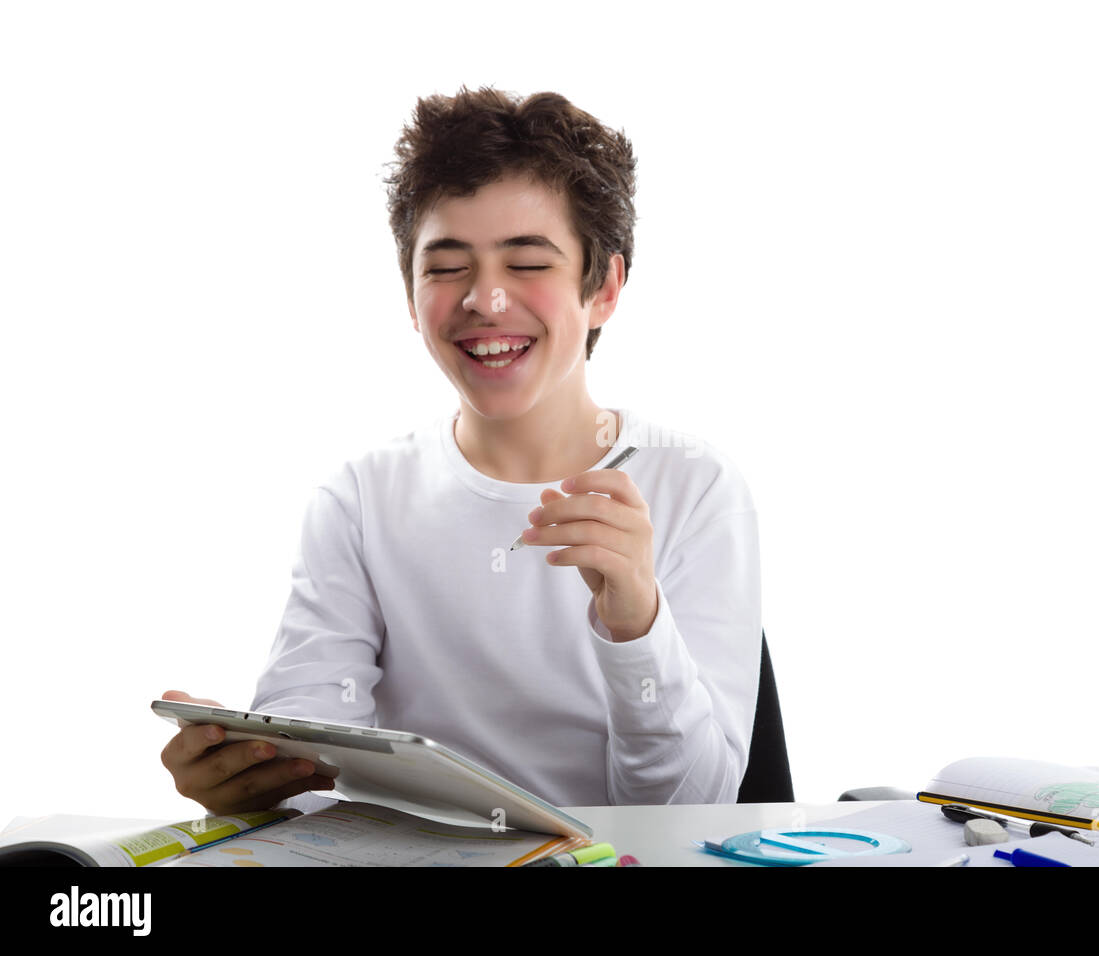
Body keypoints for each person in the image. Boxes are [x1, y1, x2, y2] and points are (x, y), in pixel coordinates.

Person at [160, 86, 762, 817]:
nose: (487, 300)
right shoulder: (360, 500)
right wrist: (247, 779)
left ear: (603, 287)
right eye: (447, 266)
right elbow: (311, 762)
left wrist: (637, 624)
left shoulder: (694, 488)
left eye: (528, 263)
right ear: (412, 299)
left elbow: (687, 812)